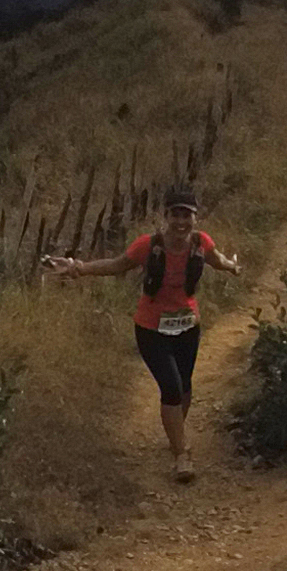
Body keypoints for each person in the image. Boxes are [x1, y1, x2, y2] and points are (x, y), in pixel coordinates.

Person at [44, 185, 239, 481]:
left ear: (195, 218)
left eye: (186, 215)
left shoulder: (201, 243)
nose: (180, 222)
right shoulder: (148, 246)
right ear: (166, 216)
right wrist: (78, 268)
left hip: (188, 326)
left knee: (185, 386)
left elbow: (218, 259)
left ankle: (175, 433)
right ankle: (181, 455)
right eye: (175, 214)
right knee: (171, 388)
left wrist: (232, 267)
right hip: (151, 329)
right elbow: (117, 264)